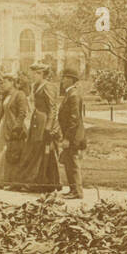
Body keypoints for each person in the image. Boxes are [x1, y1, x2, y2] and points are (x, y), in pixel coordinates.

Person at [12, 64, 62, 192]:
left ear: (41, 74)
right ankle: (31, 181)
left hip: (43, 121)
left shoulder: (48, 86)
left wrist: (48, 127)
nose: (33, 76)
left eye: (35, 74)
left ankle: (38, 182)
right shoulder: (36, 86)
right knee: (33, 150)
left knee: (40, 151)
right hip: (36, 121)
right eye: (33, 73)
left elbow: (52, 108)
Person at [0, 75, 30, 187]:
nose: (2, 85)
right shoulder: (6, 96)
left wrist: (17, 128)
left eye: (5, 82)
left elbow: (22, 113)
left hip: (13, 129)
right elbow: (1, 111)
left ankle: (9, 181)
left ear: (12, 82)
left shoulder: (19, 94)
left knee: (10, 153)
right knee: (0, 152)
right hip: (3, 126)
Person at [57, 68, 86, 200]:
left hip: (73, 137)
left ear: (70, 79)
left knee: (73, 163)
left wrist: (67, 138)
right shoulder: (70, 94)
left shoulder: (73, 95)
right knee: (69, 162)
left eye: (64, 78)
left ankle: (77, 191)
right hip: (70, 135)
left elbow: (74, 119)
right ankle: (73, 189)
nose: (62, 81)